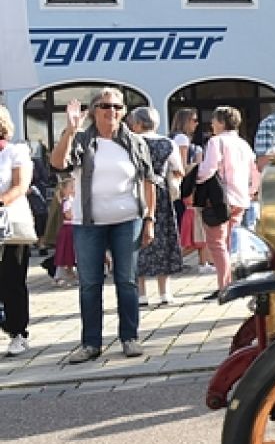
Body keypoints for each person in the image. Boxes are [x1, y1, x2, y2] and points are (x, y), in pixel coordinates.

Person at [49, 89, 158, 363]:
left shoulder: (134, 142)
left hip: (127, 219)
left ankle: (130, 338)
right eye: (106, 106)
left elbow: (148, 180)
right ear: (95, 110)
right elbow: (58, 163)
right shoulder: (83, 139)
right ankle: (90, 343)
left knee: (127, 281)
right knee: (90, 283)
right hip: (88, 223)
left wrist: (149, 218)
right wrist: (70, 131)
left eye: (118, 107)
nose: (112, 112)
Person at [197, 106, 257, 299]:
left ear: (222, 122)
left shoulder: (216, 142)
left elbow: (208, 168)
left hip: (220, 199)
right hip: (240, 198)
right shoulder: (243, 144)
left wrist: (195, 177)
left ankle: (224, 285)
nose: (212, 124)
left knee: (216, 243)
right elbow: (254, 172)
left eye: (214, 121)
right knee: (230, 242)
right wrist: (250, 191)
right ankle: (233, 281)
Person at [128, 106, 185, 306]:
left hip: (134, 192)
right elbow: (178, 169)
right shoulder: (168, 143)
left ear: (137, 123)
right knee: (164, 239)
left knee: (136, 240)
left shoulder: (131, 142)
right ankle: (164, 292)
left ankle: (141, 293)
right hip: (160, 192)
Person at [1, 104, 35, 356]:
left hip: (10, 224)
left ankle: (18, 333)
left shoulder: (15, 152)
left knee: (12, 280)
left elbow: (19, 185)